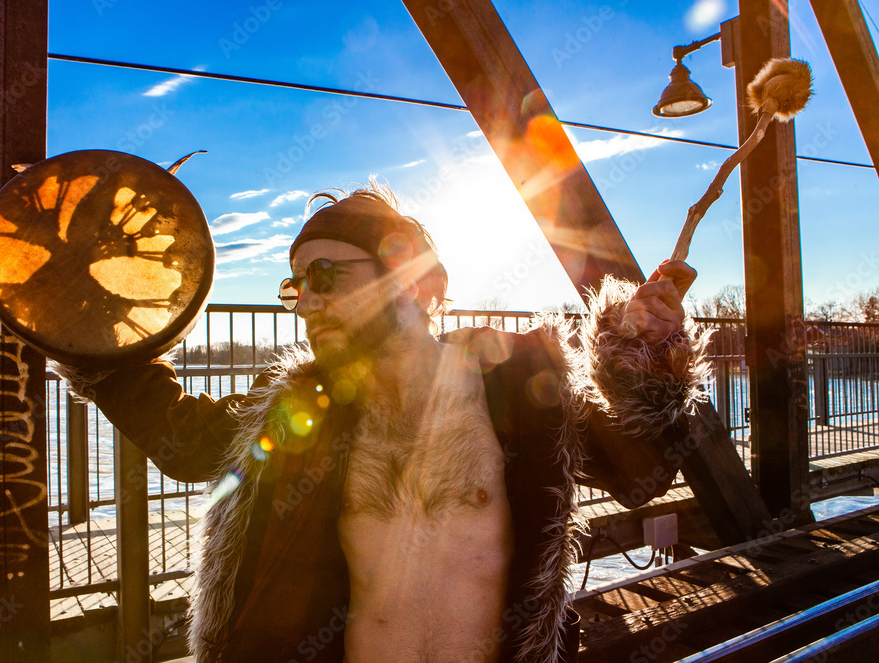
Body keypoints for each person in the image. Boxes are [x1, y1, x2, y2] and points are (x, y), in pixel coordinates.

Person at [59, 182, 706, 662]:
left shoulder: (518, 389)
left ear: (416, 285)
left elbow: (640, 473)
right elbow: (183, 441)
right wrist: (76, 317)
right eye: (294, 286)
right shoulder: (302, 409)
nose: (304, 302)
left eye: (325, 276)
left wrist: (645, 356)